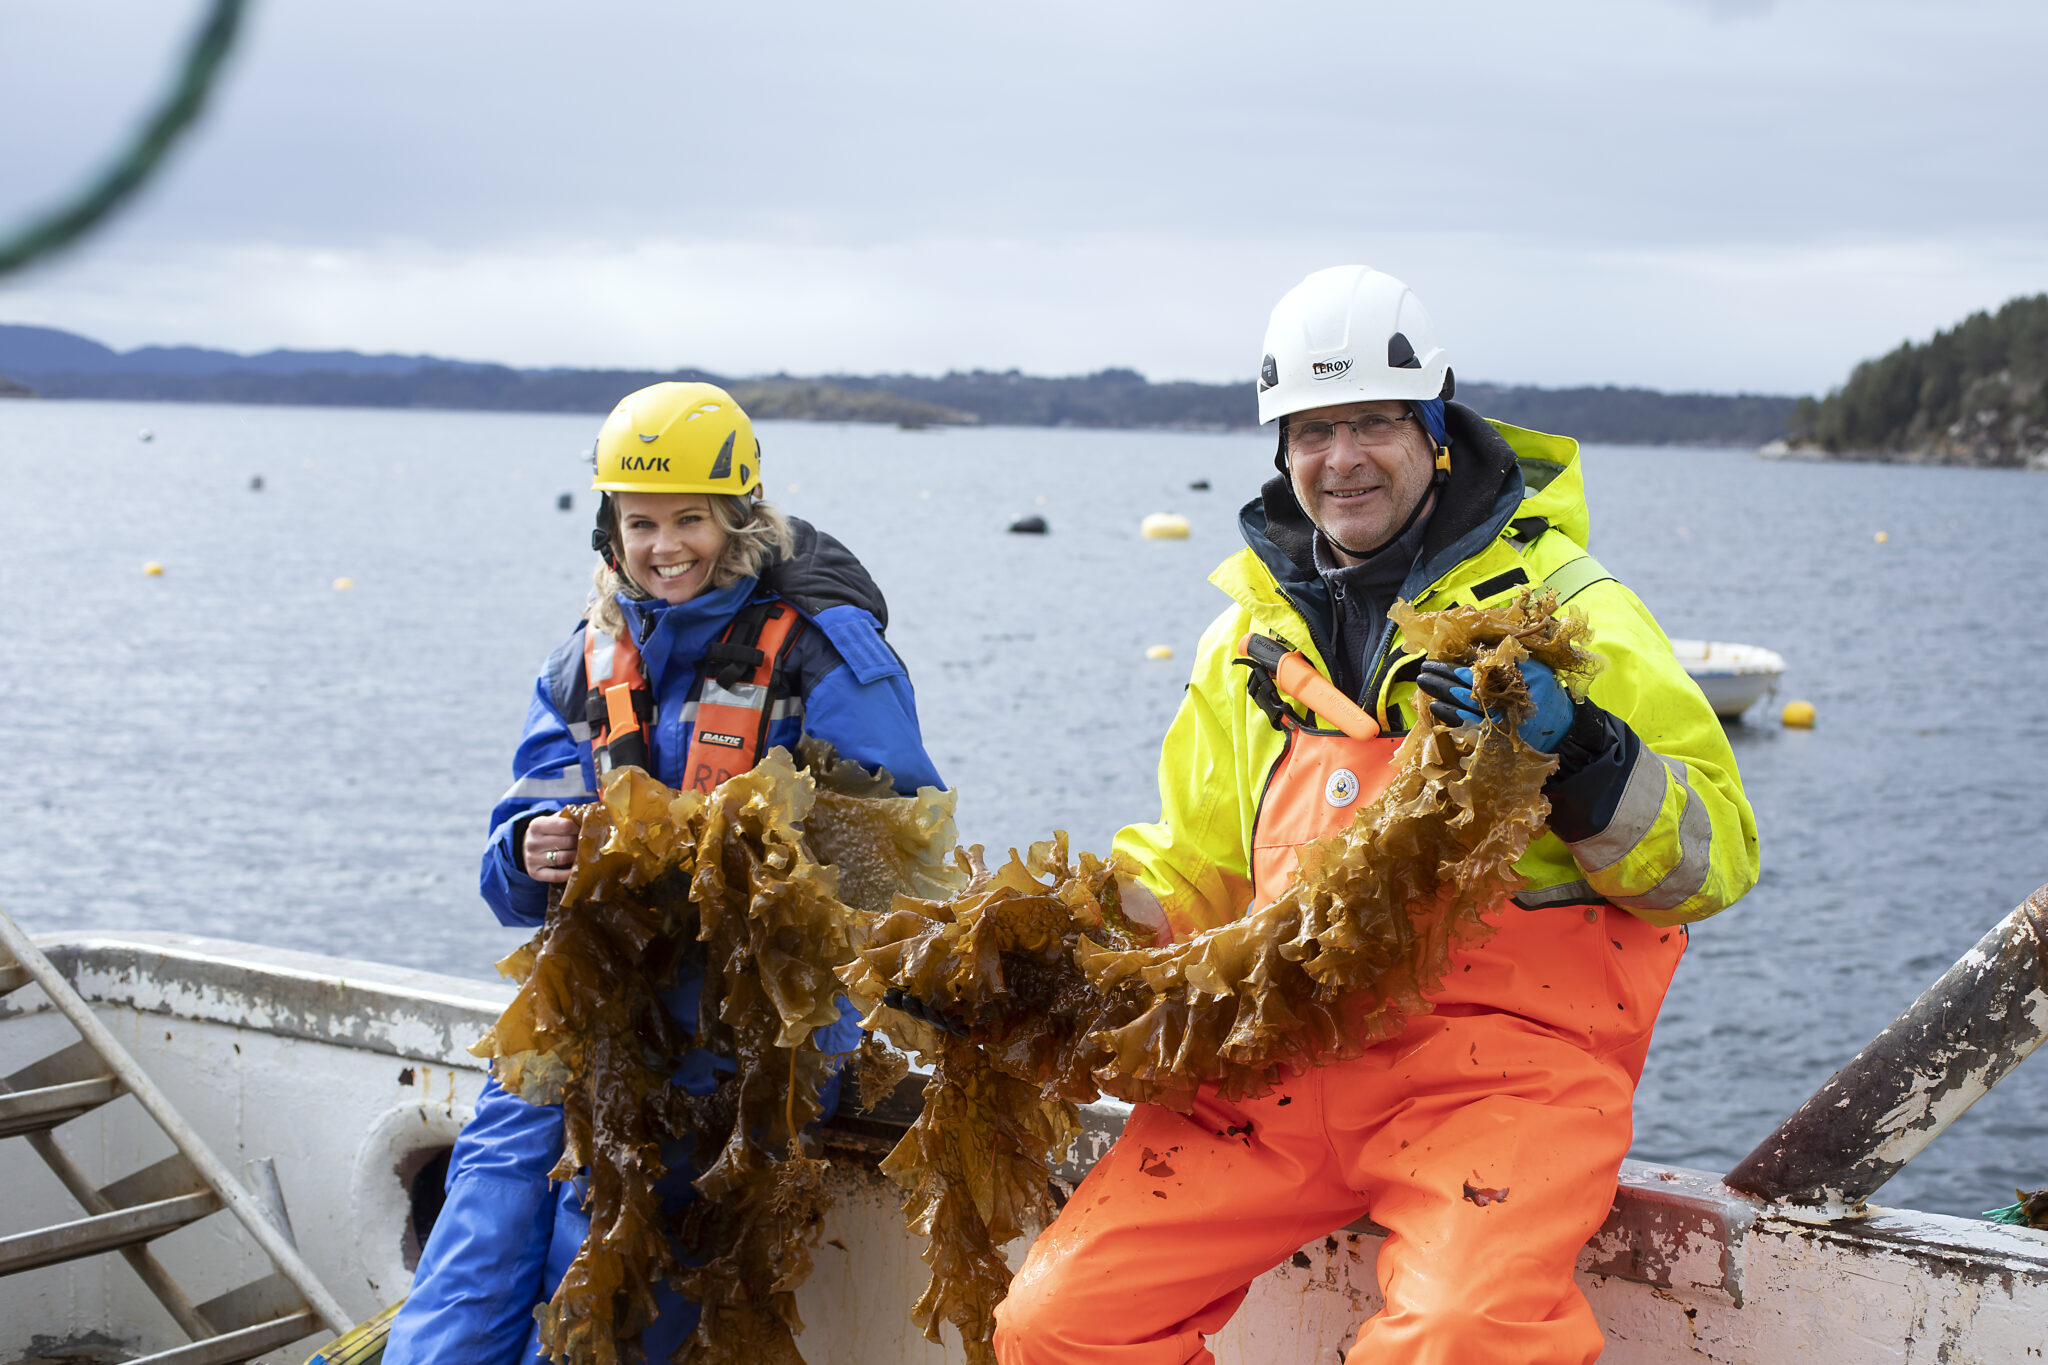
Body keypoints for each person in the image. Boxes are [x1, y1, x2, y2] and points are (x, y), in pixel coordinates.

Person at [992, 266, 1758, 1365]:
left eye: (1368, 424)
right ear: (1279, 450)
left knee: (1458, 1339)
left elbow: (1712, 862)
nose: (1338, 459)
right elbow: (1195, 865)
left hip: (1499, 1076)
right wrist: (1063, 945)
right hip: (1279, 1052)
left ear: (1433, 428)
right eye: (1308, 431)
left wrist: (1579, 750)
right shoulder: (1246, 639)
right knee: (1055, 1324)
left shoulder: (1573, 611)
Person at [386, 381, 944, 1365]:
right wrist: (527, 851)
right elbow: (511, 863)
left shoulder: (822, 652)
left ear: (739, 518)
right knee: (486, 1199)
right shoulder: (585, 662)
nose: (665, 546)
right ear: (610, 528)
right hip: (587, 996)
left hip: (745, 1029)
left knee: (609, 1256)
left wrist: (759, 869)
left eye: (690, 518)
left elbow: (897, 861)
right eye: (640, 522)